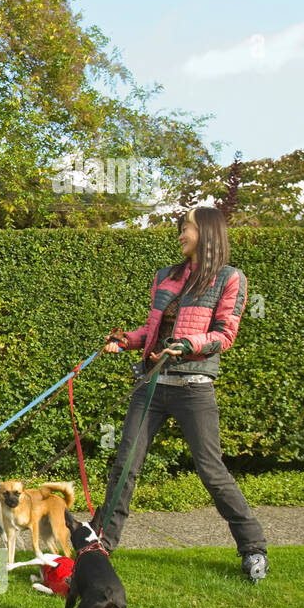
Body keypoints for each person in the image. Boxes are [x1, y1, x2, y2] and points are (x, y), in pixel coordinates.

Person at [96, 205, 268, 582]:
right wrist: (126, 341)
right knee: (125, 464)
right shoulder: (166, 276)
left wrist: (187, 344)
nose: (180, 233)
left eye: (185, 227)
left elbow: (224, 335)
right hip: (152, 386)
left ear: (207, 232)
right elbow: (151, 330)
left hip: (194, 388)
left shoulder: (229, 278)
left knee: (211, 470)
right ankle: (100, 547)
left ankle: (253, 548)